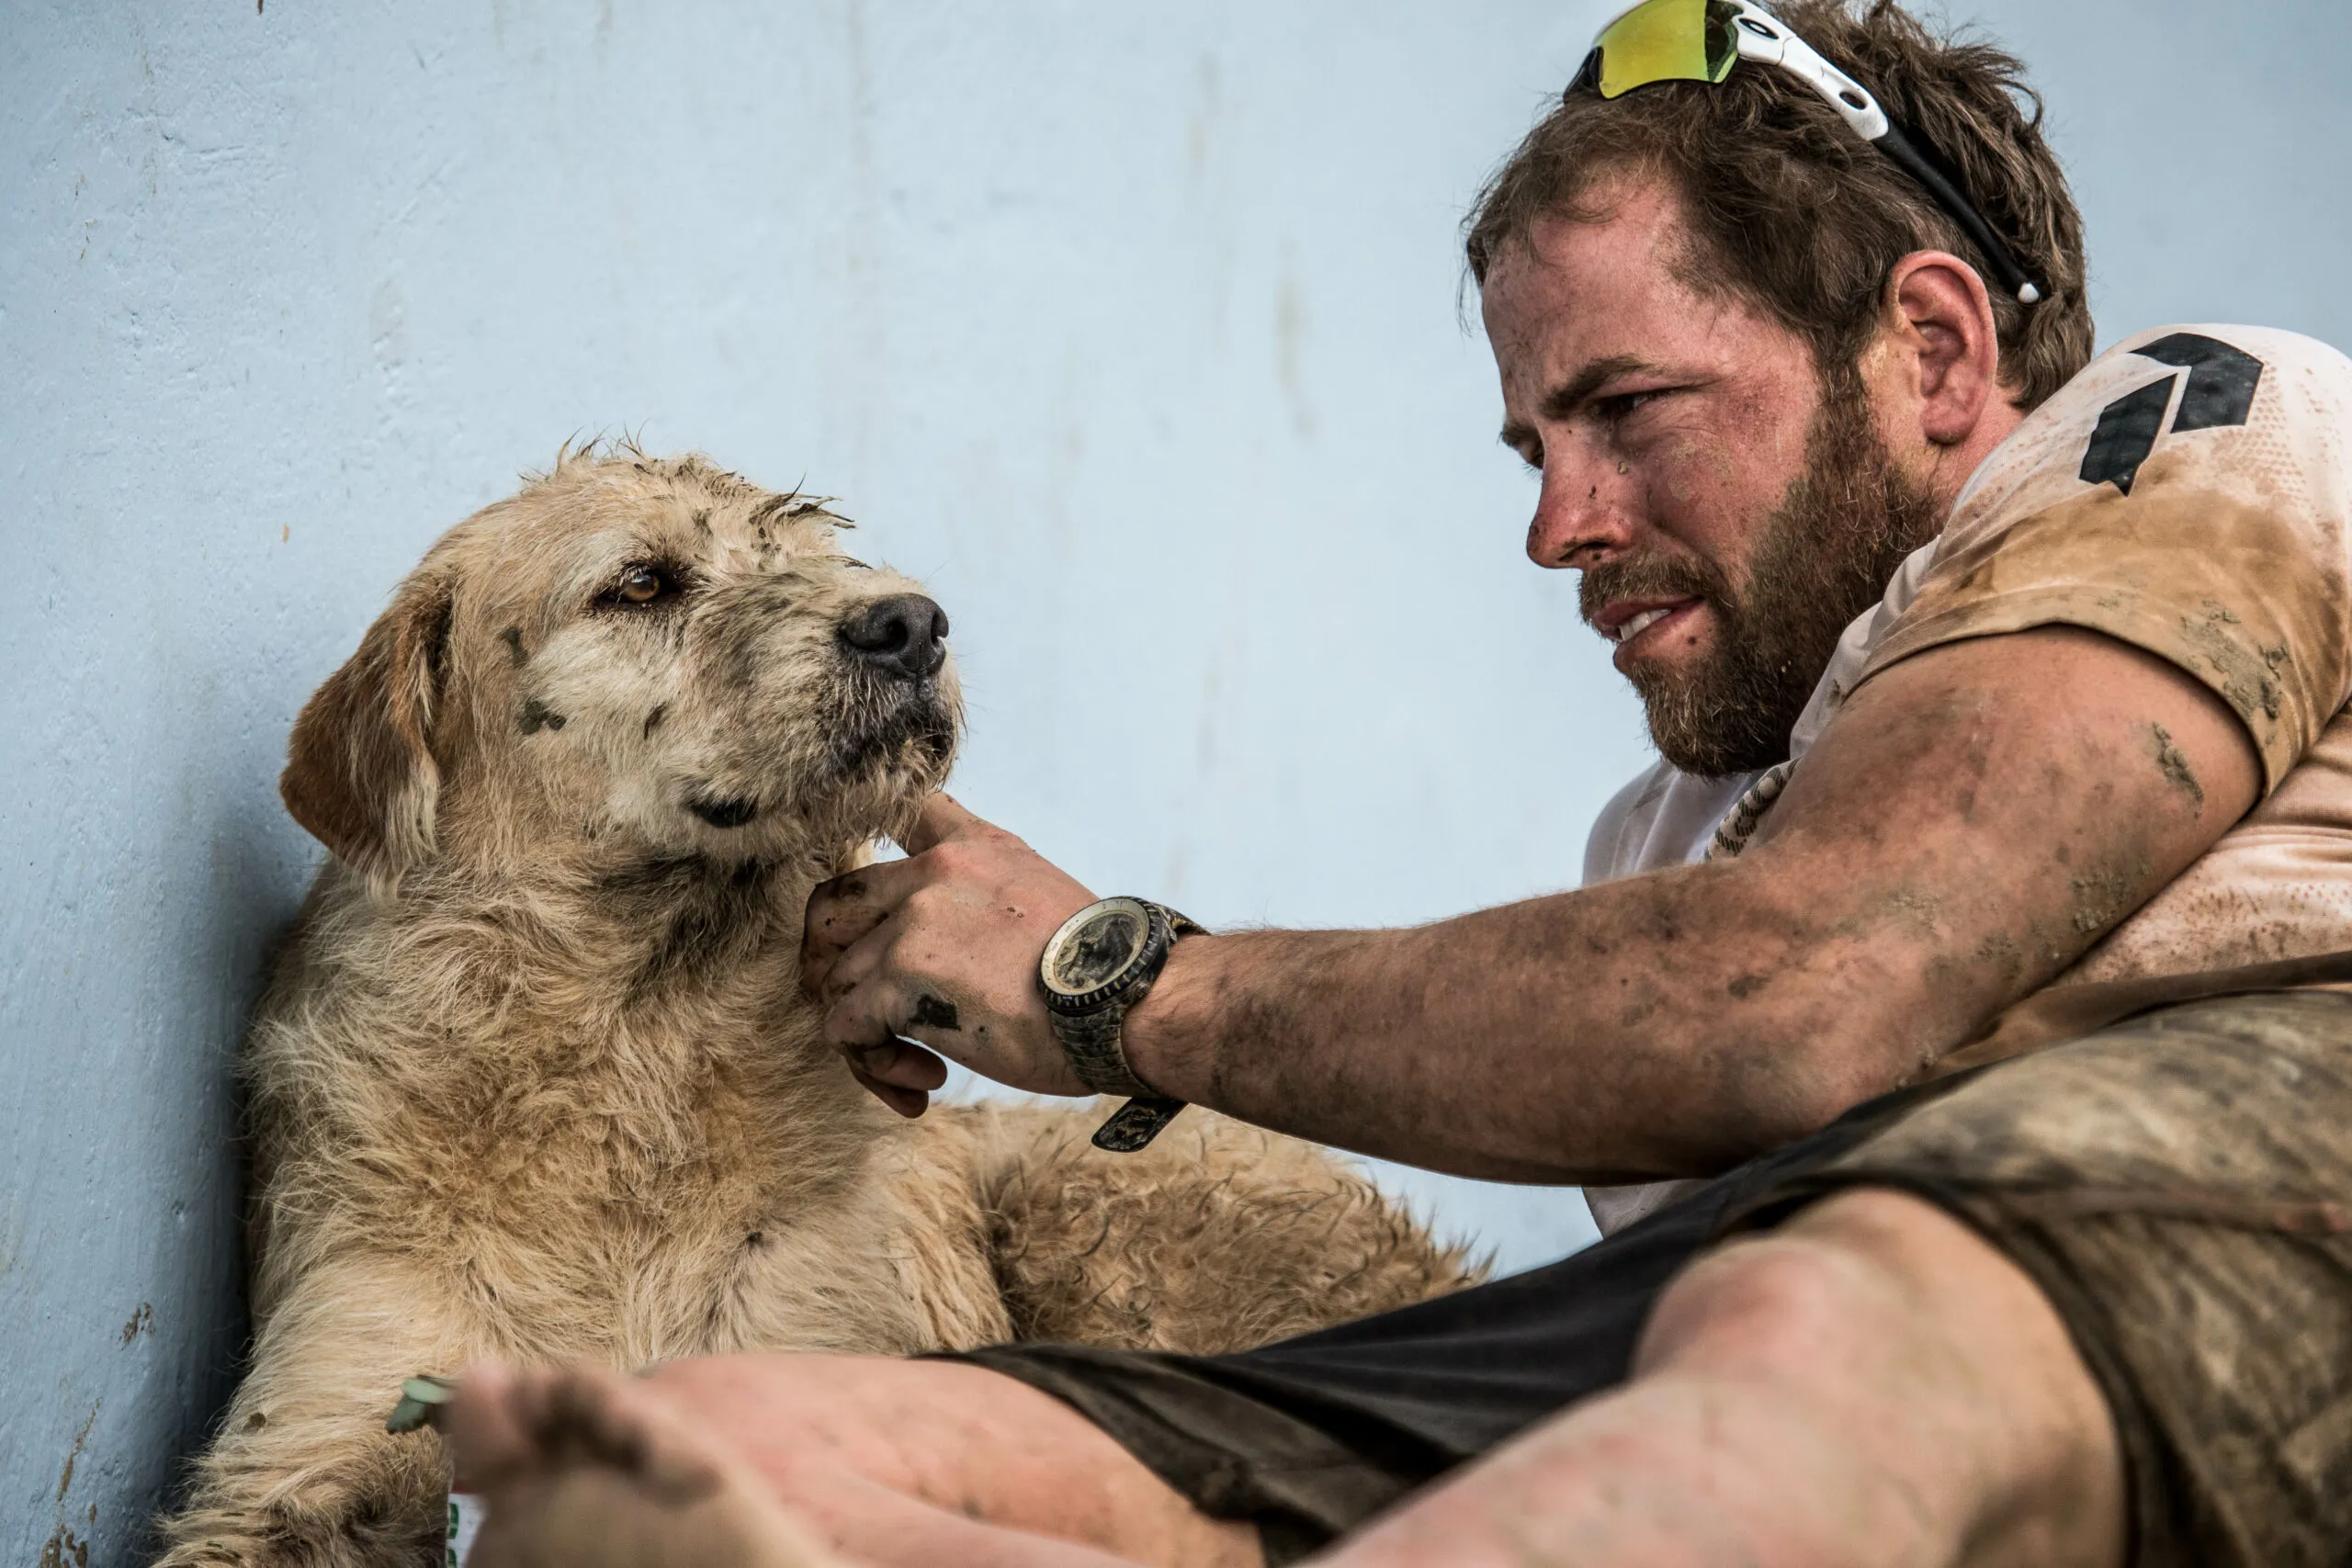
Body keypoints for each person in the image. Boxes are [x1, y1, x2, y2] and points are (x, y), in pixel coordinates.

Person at [440, 3, 2352, 1564]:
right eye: (1533, 444)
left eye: (1626, 408)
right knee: (776, 1444)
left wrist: (1117, 981)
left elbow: (1794, 993)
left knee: (1831, 1308)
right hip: (1751, 1349)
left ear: (1930, 347)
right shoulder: (1662, 845)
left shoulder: (2191, 430)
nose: (1557, 524)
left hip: (2203, 1202)